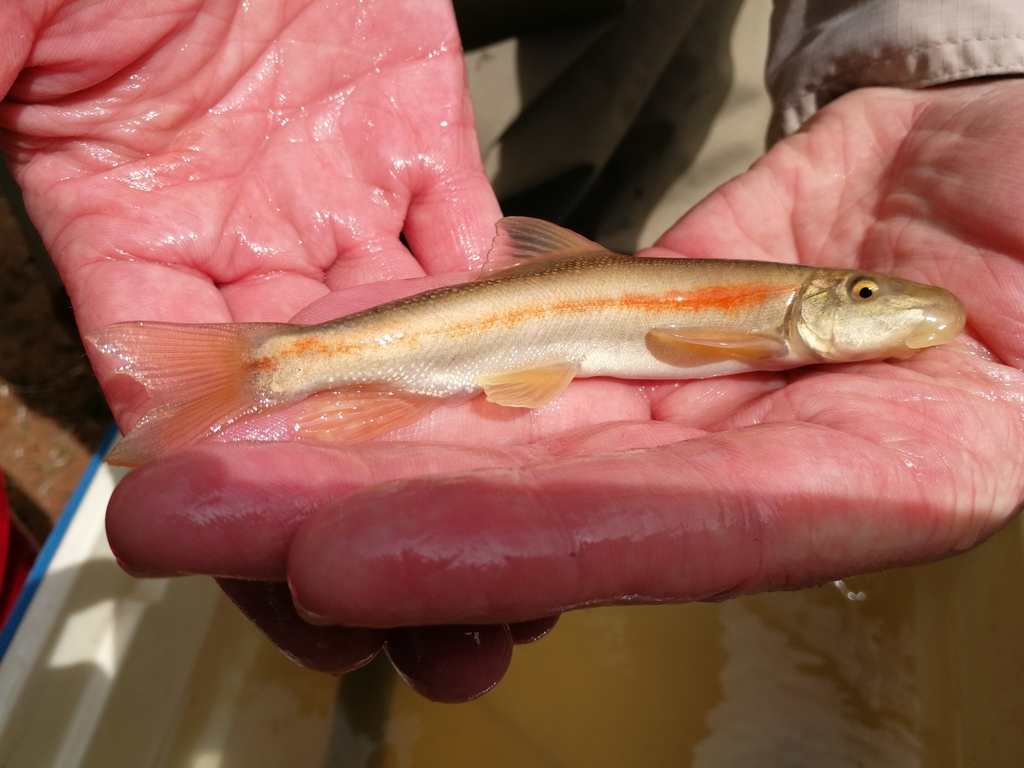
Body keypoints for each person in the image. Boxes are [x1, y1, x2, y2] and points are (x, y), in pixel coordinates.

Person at [1, 0, 1023, 703]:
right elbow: (675, 333)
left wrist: (955, 52)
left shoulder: (789, 308)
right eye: (863, 295)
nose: (878, 304)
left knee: (634, 109)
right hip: (400, 77)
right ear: (824, 299)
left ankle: (235, 375)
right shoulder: (770, 310)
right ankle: (241, 370)